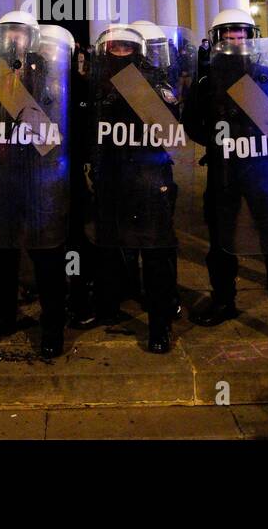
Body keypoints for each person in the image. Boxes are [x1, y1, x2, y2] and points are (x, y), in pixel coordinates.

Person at [186, 9, 268, 353]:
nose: (236, 39)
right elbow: (191, 123)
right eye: (228, 33)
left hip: (265, 171)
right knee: (220, 242)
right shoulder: (205, 81)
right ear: (217, 38)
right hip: (225, 172)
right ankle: (224, 301)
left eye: (242, 33)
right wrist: (219, 139)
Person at [0, 11, 71, 358]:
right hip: (1, 172)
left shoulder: (48, 69)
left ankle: (52, 326)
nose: (13, 39)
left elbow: (50, 122)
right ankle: (0, 316)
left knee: (46, 255)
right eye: (7, 33)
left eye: (19, 34)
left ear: (31, 38)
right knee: (0, 253)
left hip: (39, 175)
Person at [84, 23, 184, 353]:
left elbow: (171, 133)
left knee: (154, 252)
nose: (120, 54)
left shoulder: (153, 80)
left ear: (137, 52)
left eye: (127, 49)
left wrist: (133, 89)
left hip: (148, 178)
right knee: (108, 248)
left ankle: (159, 323)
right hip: (110, 178)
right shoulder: (91, 84)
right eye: (114, 48)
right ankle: (108, 305)